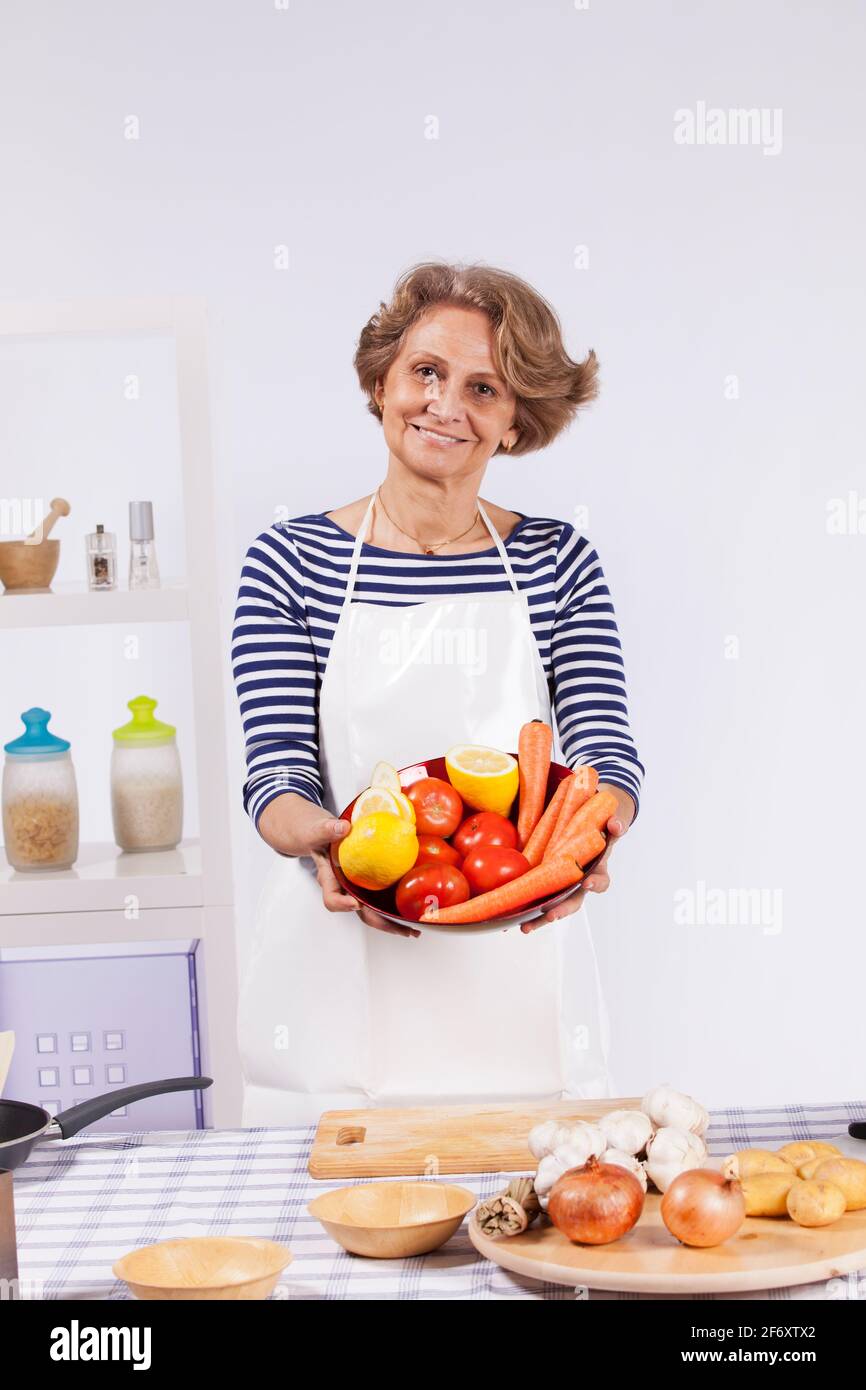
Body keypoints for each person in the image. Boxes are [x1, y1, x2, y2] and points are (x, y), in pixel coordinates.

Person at [232, 260, 644, 1125]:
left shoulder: (557, 562)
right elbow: (275, 774)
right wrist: (324, 841)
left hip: (518, 961)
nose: (445, 405)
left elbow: (606, 748)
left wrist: (597, 829)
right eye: (426, 371)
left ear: (515, 422)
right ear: (382, 383)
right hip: (342, 955)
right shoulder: (289, 562)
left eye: (483, 388)